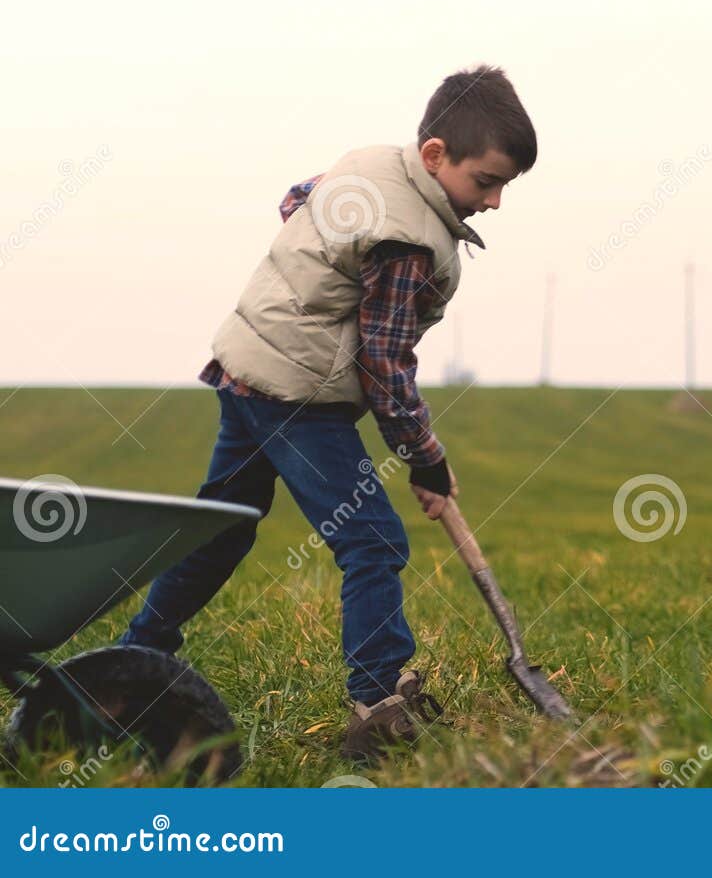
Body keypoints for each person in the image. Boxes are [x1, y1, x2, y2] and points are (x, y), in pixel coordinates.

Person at [119, 65, 538, 760]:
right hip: (294, 394)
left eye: (503, 186)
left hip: (247, 361)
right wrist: (425, 457)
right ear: (435, 157)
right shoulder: (408, 240)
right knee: (371, 540)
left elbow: (295, 203)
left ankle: (135, 657)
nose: (494, 201)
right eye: (485, 181)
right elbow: (384, 362)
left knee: (222, 527)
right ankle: (375, 702)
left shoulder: (370, 165)